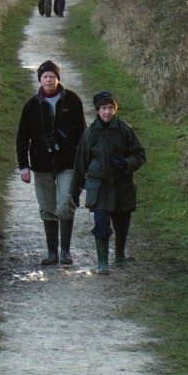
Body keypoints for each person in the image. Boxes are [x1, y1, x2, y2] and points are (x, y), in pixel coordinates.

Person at [16, 60, 87, 265]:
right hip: (41, 165)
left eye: (52, 76)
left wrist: (83, 163)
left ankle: (65, 252)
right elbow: (22, 138)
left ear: (58, 78)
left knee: (65, 203)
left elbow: (83, 133)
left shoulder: (72, 100)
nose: (49, 80)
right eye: (45, 76)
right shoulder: (31, 105)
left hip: (68, 163)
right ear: (39, 79)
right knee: (47, 207)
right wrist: (24, 166)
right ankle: (52, 253)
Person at [72, 91, 146, 275]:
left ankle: (120, 255)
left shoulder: (125, 129)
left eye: (110, 108)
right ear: (97, 110)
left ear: (115, 109)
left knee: (122, 223)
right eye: (103, 108)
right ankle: (102, 262)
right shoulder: (90, 133)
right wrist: (76, 189)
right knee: (101, 223)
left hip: (123, 186)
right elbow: (80, 163)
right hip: (99, 187)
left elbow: (140, 155)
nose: (107, 112)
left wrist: (126, 163)